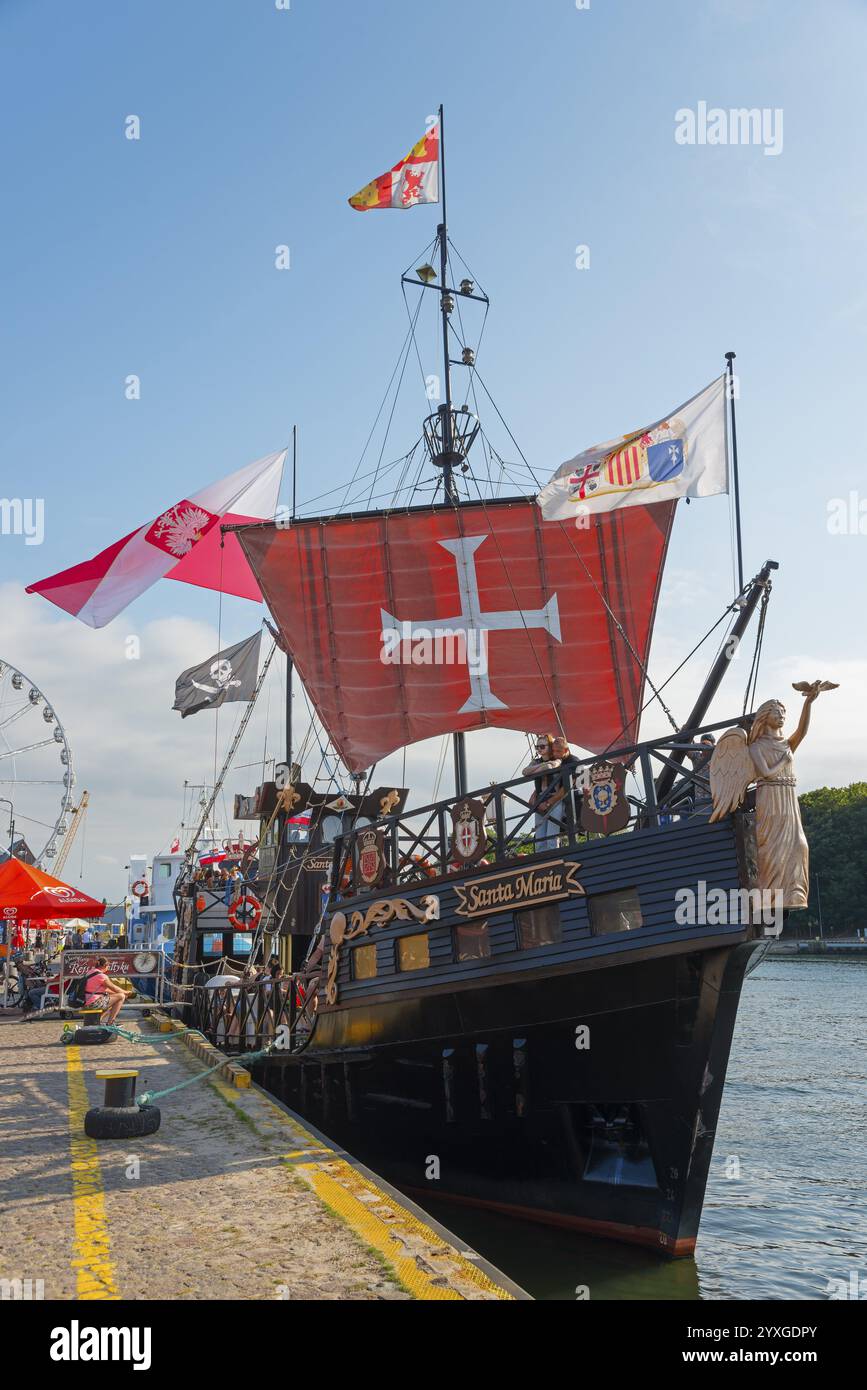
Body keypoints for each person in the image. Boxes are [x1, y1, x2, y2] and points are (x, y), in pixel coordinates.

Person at [523, 734, 577, 851]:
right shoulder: (536, 761)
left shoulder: (557, 760)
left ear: (549, 746)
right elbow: (525, 771)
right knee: (539, 839)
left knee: (551, 836)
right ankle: (541, 862)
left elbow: (549, 767)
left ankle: (553, 858)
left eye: (542, 746)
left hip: (554, 800)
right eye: (537, 747)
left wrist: (536, 768)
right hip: (540, 799)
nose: (539, 749)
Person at [82, 955, 126, 1025]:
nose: (108, 968)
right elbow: (114, 987)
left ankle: (98, 1022)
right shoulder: (102, 976)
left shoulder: (90, 972)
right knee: (121, 996)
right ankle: (110, 1023)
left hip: (85, 1002)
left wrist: (115, 994)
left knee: (111, 1001)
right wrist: (126, 992)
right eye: (108, 966)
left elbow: (104, 990)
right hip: (93, 1003)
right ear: (105, 966)